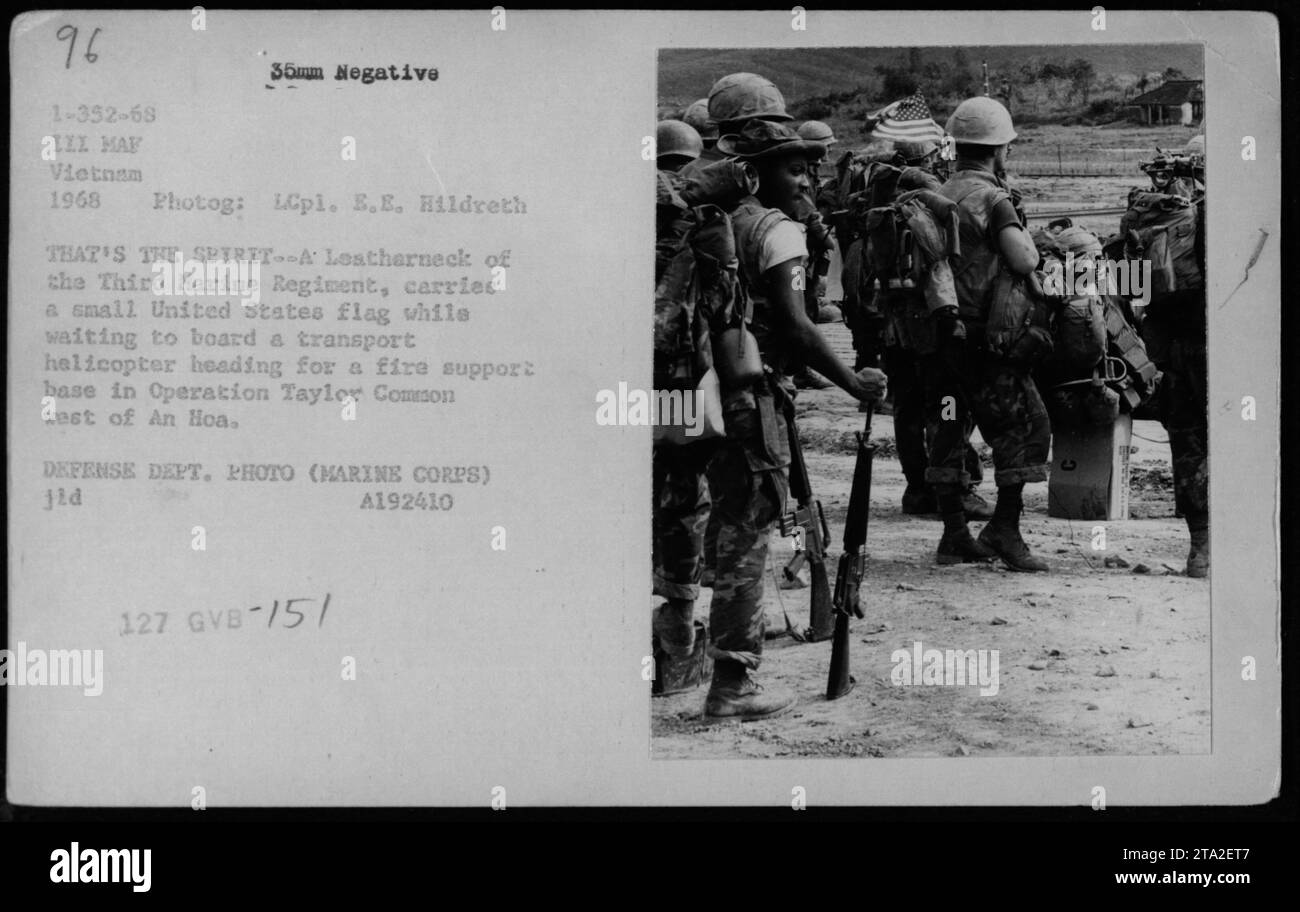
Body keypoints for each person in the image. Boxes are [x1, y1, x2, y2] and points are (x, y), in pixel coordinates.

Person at [704, 118, 887, 720]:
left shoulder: (702, 221)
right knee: (745, 532)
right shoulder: (773, 230)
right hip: (748, 394)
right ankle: (732, 683)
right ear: (755, 171)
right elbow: (797, 326)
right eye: (793, 168)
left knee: (694, 516)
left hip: (690, 392)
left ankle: (680, 653)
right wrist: (853, 381)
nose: (807, 180)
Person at [929, 96, 1051, 571]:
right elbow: (1023, 260)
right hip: (985, 339)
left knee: (947, 427)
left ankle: (954, 534)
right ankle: (1005, 528)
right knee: (1024, 425)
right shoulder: (992, 198)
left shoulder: (937, 192)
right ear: (1000, 150)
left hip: (941, 336)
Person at [868, 139, 993, 519]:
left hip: (894, 326)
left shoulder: (881, 208)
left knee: (907, 409)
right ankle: (953, 489)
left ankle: (917, 490)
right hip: (930, 326)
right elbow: (941, 271)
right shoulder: (927, 208)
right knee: (948, 405)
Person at [1138, 137, 1208, 577]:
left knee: (1187, 444)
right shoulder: (1231, 211)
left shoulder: (1159, 217)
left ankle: (1200, 548)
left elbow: (1136, 290)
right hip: (1222, 347)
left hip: (1175, 352)